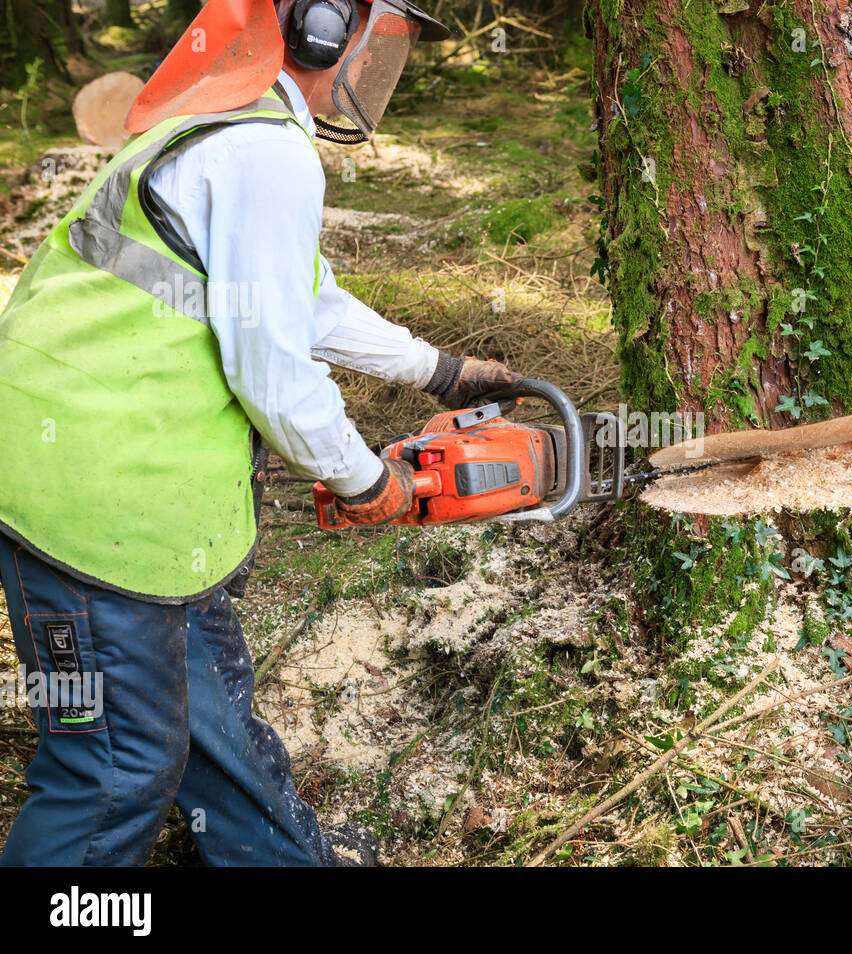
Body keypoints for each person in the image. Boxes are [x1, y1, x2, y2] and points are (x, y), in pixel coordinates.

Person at [0, 0, 520, 865]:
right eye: (378, 40)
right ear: (319, 26)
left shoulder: (232, 123)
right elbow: (272, 373)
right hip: (90, 502)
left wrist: (437, 370)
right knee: (114, 770)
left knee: (206, 708)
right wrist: (370, 482)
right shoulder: (262, 149)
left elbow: (296, 299)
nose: (379, 68)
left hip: (137, 490)